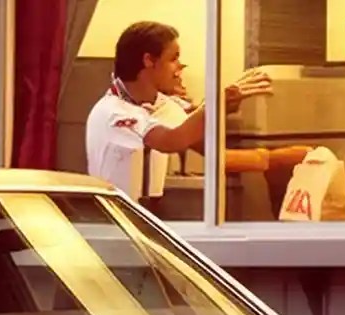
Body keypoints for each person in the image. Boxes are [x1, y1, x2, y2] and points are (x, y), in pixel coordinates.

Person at [85, 21, 273, 209]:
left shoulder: (161, 104)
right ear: (149, 60)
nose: (180, 66)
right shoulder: (113, 112)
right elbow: (170, 140)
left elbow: (202, 139)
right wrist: (216, 103)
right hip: (114, 216)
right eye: (173, 58)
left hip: (149, 213)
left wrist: (225, 106)